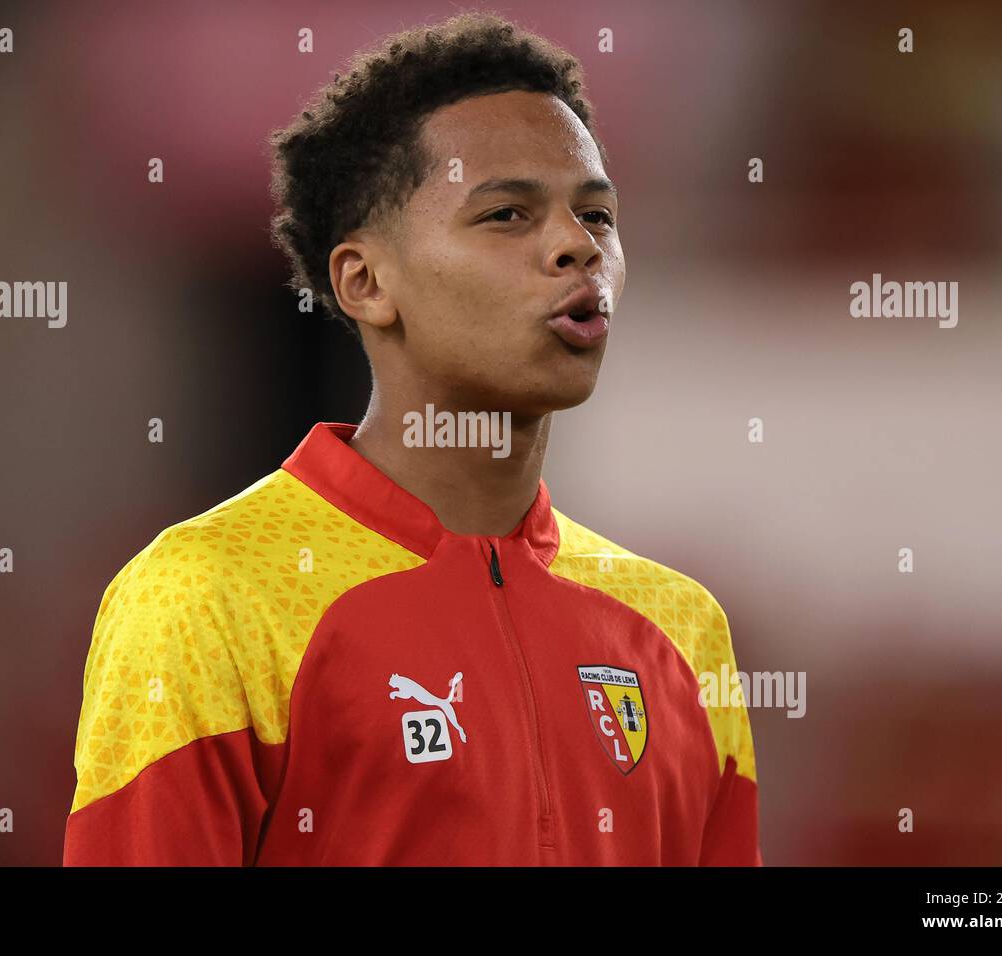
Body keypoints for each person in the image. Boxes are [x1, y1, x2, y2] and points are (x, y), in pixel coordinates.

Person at [63, 11, 760, 866]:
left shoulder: (682, 631)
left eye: (598, 217)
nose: (578, 248)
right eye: (508, 214)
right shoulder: (202, 599)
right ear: (365, 282)